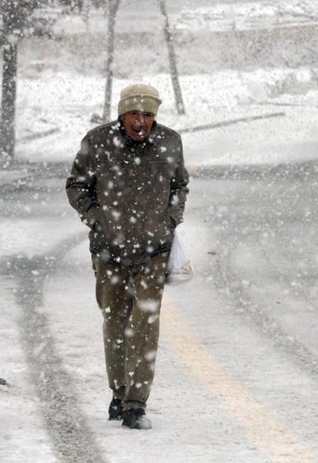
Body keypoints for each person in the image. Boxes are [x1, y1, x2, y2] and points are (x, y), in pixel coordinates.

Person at [66, 83, 189, 430]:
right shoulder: (98, 141)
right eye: (135, 114)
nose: (141, 122)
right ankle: (118, 393)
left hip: (153, 251)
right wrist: (97, 219)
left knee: (146, 325)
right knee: (116, 322)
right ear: (122, 115)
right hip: (110, 251)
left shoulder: (170, 142)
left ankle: (137, 403)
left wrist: (169, 219)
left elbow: (180, 186)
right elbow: (76, 185)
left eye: (149, 114)